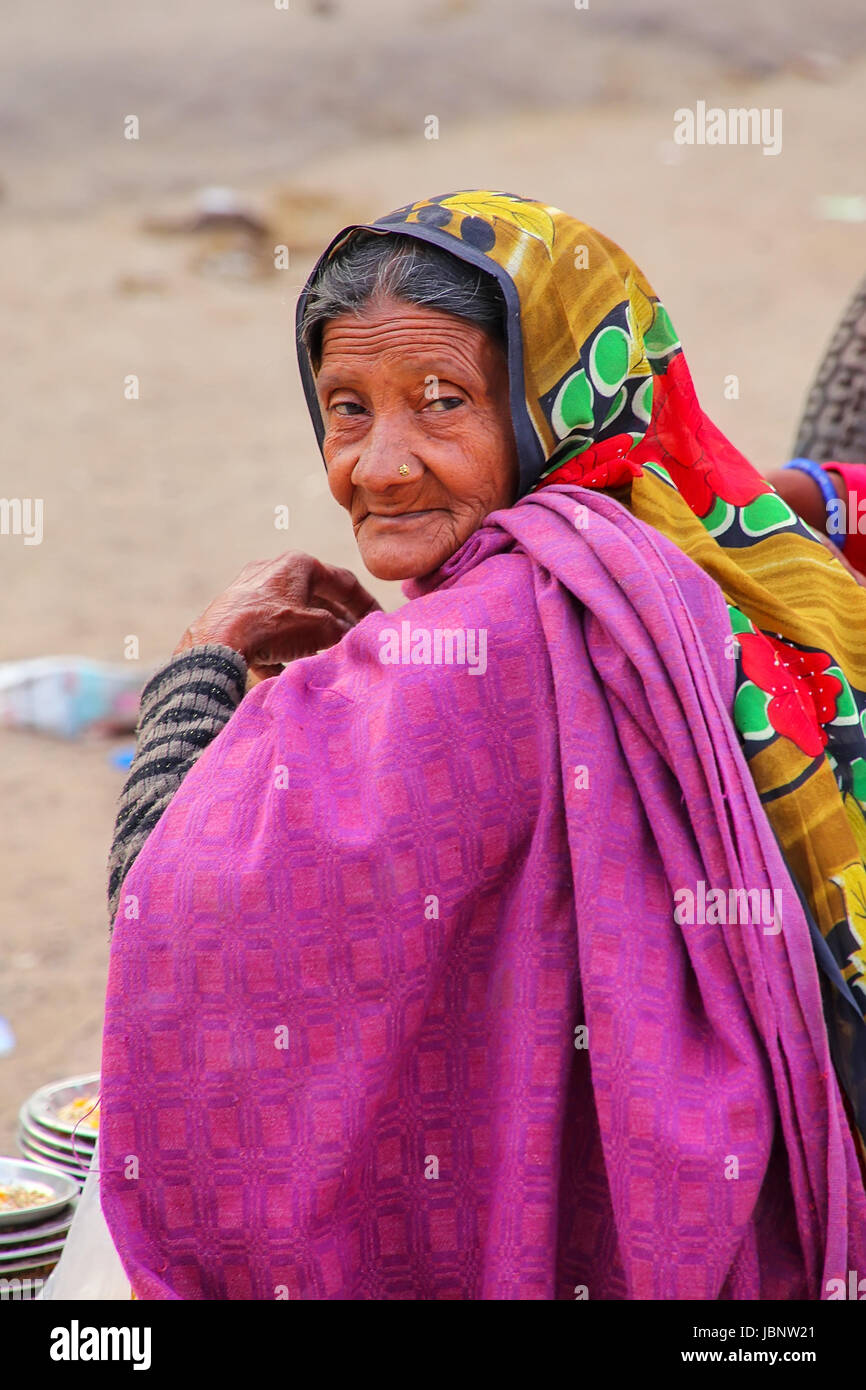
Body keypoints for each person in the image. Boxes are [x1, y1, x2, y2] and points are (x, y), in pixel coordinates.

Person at [100, 190, 866, 1301]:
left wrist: (204, 657)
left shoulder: (485, 640)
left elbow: (161, 918)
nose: (378, 466)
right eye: (347, 407)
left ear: (547, 402)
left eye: (442, 401)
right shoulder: (694, 543)